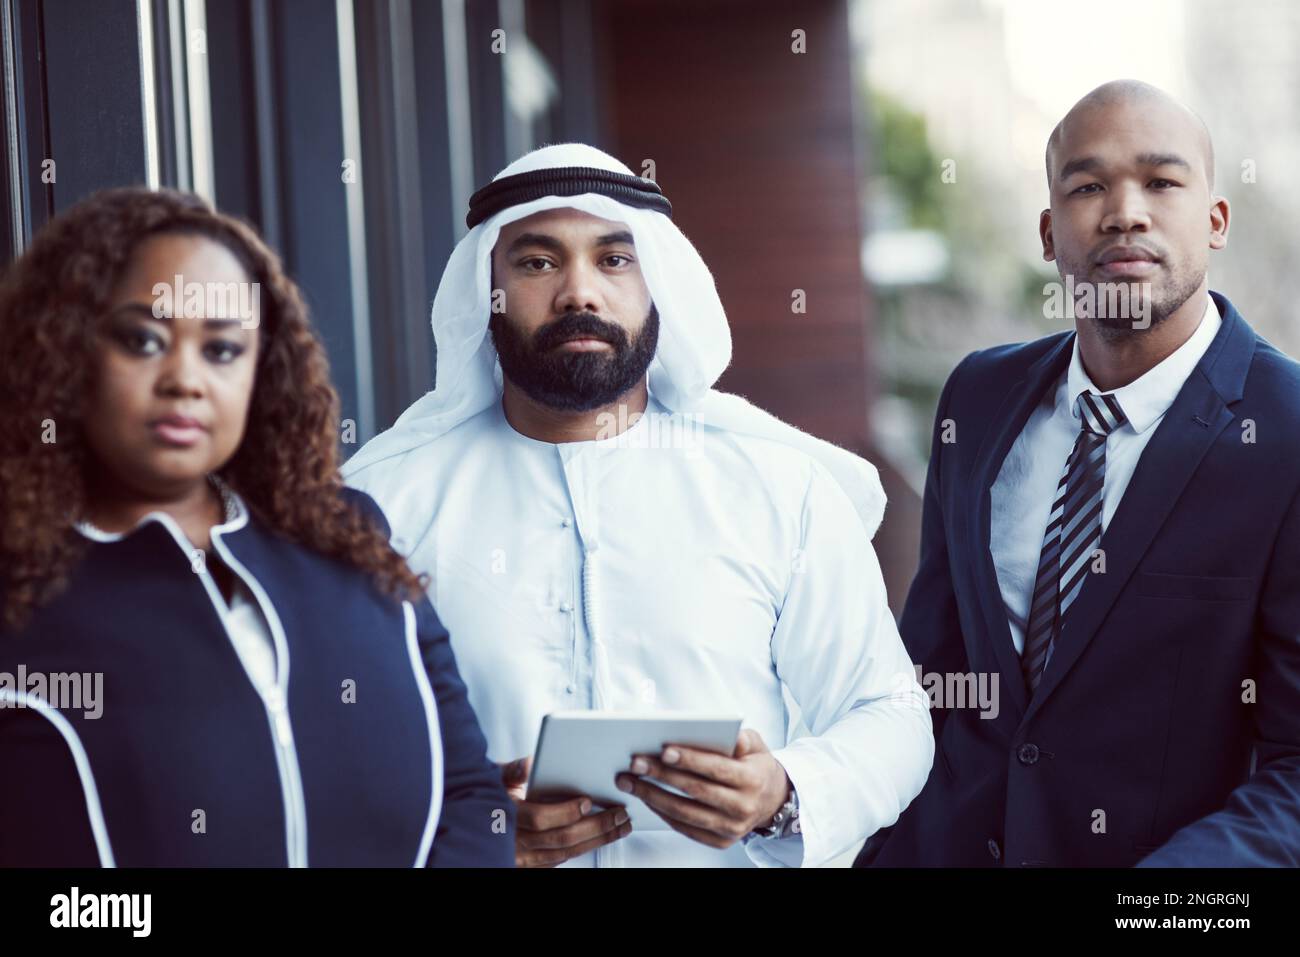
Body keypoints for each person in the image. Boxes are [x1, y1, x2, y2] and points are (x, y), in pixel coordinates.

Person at [343, 143, 933, 868]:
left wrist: (782, 790)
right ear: (483, 292)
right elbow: (323, 748)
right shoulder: (382, 505)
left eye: (614, 260)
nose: (579, 293)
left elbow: (891, 717)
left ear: (659, 282)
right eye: (537, 262)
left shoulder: (777, 487)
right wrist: (464, 837)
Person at [0, 187, 513, 867]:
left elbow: (473, 795)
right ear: (67, 350)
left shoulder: (348, 540)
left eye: (221, 349)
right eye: (143, 339)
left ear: (260, 370)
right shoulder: (21, 590)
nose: (185, 379)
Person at [858, 80, 1300, 867]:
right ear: (1048, 232)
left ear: (1216, 220)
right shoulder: (978, 397)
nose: (1125, 210)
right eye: (1087, 185)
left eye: (1162, 182)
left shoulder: (1288, 429)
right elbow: (927, 678)